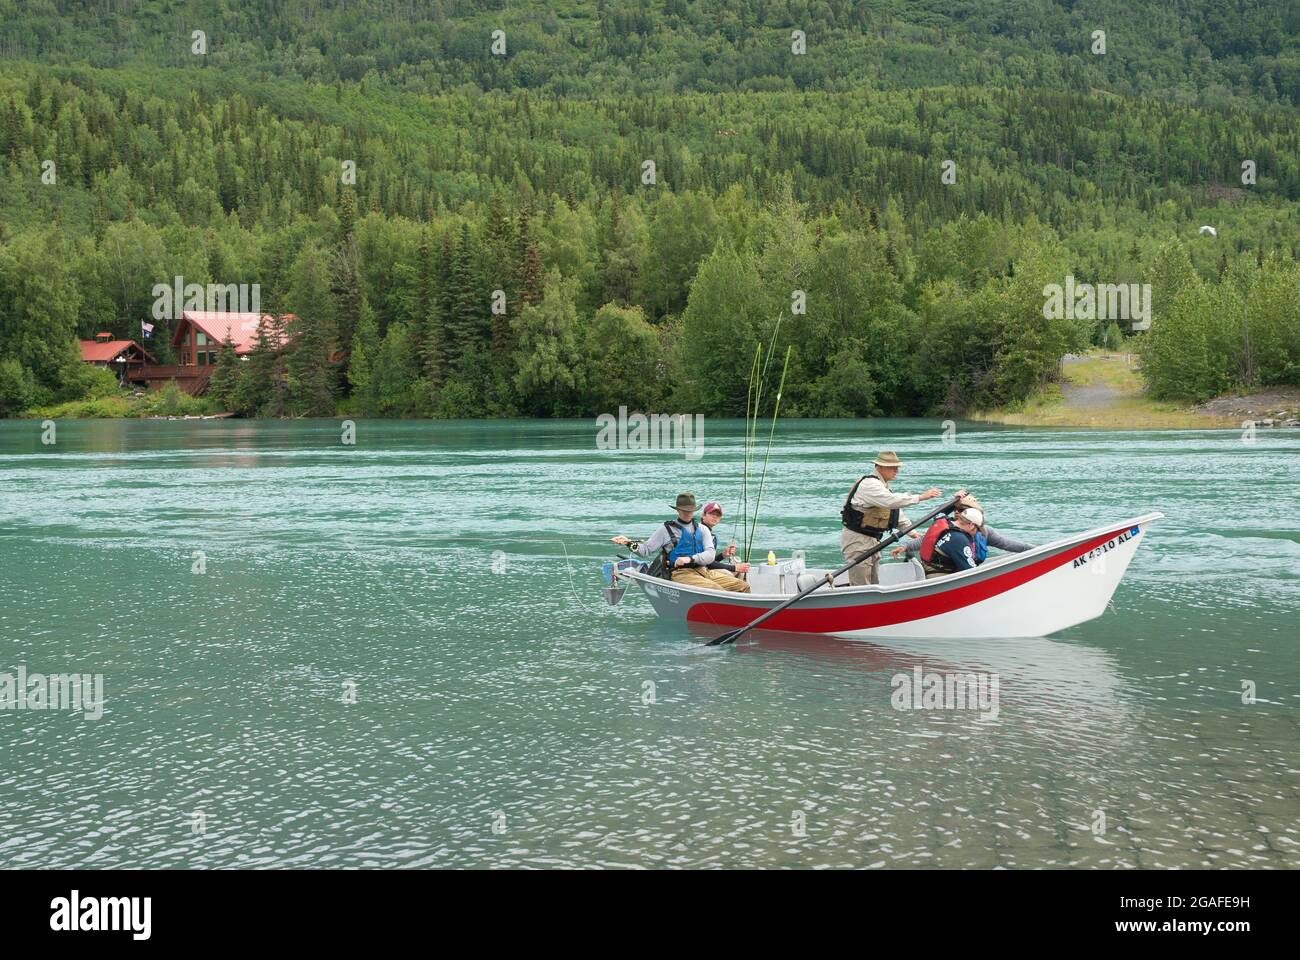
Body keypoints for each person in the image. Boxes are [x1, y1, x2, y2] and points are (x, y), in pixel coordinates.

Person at [611, 493, 750, 593]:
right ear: (678, 510)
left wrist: (689, 558)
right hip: (681, 574)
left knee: (742, 586)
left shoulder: (702, 529)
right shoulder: (665, 530)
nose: (687, 513)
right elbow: (645, 550)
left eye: (690, 510)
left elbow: (709, 555)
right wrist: (628, 543)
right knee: (717, 590)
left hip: (703, 571)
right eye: (684, 510)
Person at [840, 451, 942, 586]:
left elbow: (895, 513)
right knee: (861, 583)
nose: (896, 470)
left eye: (897, 467)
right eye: (892, 467)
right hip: (858, 540)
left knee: (873, 581)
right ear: (879, 467)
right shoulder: (870, 484)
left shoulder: (883, 486)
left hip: (872, 540)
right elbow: (891, 501)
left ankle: (874, 605)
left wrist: (912, 533)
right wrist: (920, 497)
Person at [891, 492, 1034, 562]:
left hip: (968, 569)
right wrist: (906, 546)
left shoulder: (984, 532)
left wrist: (1034, 550)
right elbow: (925, 540)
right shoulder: (947, 528)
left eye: (962, 510)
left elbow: (1008, 544)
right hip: (949, 572)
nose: (957, 513)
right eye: (956, 509)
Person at [698, 501, 752, 592]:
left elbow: (708, 561)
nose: (715, 516)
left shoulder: (712, 536)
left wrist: (723, 555)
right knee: (733, 574)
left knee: (737, 572)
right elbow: (706, 563)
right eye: (711, 513)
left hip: (705, 568)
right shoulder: (699, 532)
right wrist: (735, 567)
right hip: (701, 571)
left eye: (717, 515)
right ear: (703, 515)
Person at [919, 507, 985, 578]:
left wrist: (954, 503)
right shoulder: (958, 539)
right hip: (939, 575)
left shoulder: (944, 520)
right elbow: (969, 570)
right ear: (972, 525)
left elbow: (939, 512)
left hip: (927, 567)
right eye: (978, 529)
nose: (977, 533)